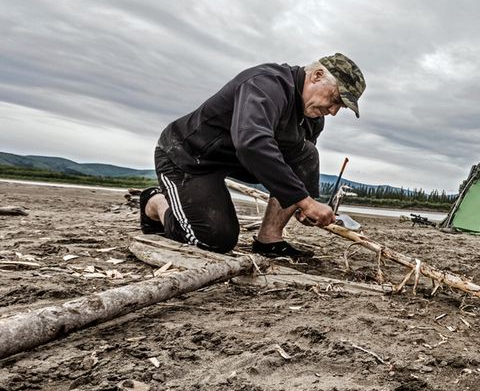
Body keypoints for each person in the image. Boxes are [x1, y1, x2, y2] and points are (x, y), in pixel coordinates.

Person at [138, 53, 365, 257]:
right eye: (335, 99)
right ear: (316, 76)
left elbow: (297, 162)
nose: (334, 111)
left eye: (341, 107)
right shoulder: (266, 84)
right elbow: (251, 143)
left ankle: (269, 239)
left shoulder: (313, 116)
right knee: (215, 239)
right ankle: (155, 202)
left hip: (237, 159)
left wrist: (306, 204)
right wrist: (304, 201)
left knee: (306, 152)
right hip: (189, 158)